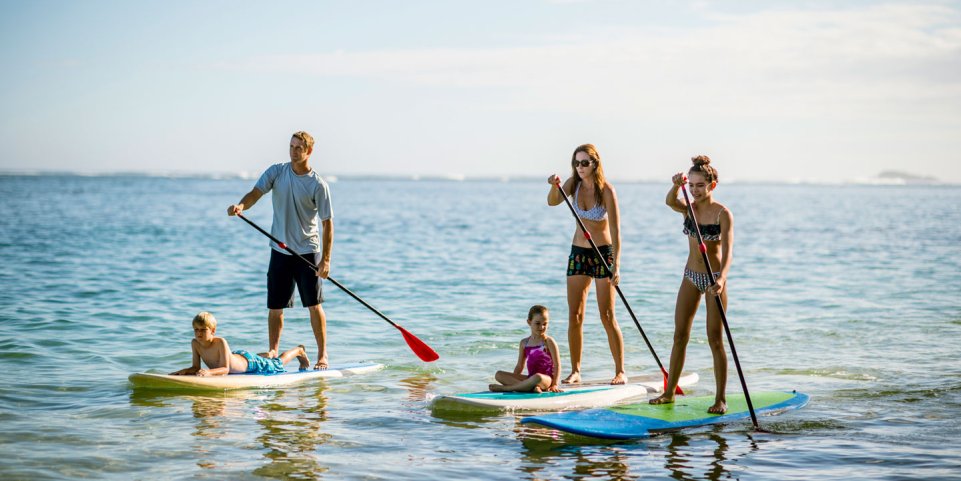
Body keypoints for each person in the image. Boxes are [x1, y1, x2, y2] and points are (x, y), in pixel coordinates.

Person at [227, 131, 333, 370]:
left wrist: (325, 260)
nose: (293, 151)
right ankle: (274, 349)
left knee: (314, 306)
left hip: (307, 252)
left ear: (309, 152)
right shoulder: (277, 172)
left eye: (298, 148)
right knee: (275, 307)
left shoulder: (318, 184)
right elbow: (256, 193)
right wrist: (241, 205)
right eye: (291, 146)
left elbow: (327, 224)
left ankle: (322, 355)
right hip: (280, 250)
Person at [650, 155, 734, 414]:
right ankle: (668, 394)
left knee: (715, 339)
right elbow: (669, 201)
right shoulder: (688, 207)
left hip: (713, 279)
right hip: (690, 275)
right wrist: (676, 185)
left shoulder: (722, 213)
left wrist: (721, 279)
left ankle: (720, 399)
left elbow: (729, 252)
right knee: (679, 336)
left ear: (712, 185)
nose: (695, 191)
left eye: (700, 185)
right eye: (692, 185)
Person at [547, 144, 627, 385]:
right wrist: (554, 186)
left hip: (603, 254)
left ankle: (620, 370)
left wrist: (617, 265)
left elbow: (616, 230)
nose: (580, 167)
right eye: (576, 163)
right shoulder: (573, 183)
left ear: (595, 164)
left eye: (584, 163)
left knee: (607, 314)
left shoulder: (607, 191)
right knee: (575, 315)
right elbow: (552, 202)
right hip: (579, 253)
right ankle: (576, 370)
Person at [170, 312, 309, 376]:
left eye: (203, 330)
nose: (199, 333)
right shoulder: (195, 343)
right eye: (196, 330)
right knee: (267, 358)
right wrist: (185, 371)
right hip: (237, 356)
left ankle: (298, 350)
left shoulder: (220, 342)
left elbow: (225, 369)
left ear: (213, 331)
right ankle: (268, 354)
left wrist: (209, 372)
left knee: (277, 364)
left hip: (249, 362)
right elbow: (196, 367)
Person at [489, 305, 562, 393]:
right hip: (530, 379)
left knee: (537, 377)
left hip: (545, 380)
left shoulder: (548, 342)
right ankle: (530, 387)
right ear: (529, 322)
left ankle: (507, 388)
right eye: (538, 323)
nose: (542, 327)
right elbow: (519, 366)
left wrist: (554, 384)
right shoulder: (524, 343)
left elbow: (557, 365)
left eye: (545, 324)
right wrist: (512, 378)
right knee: (499, 375)